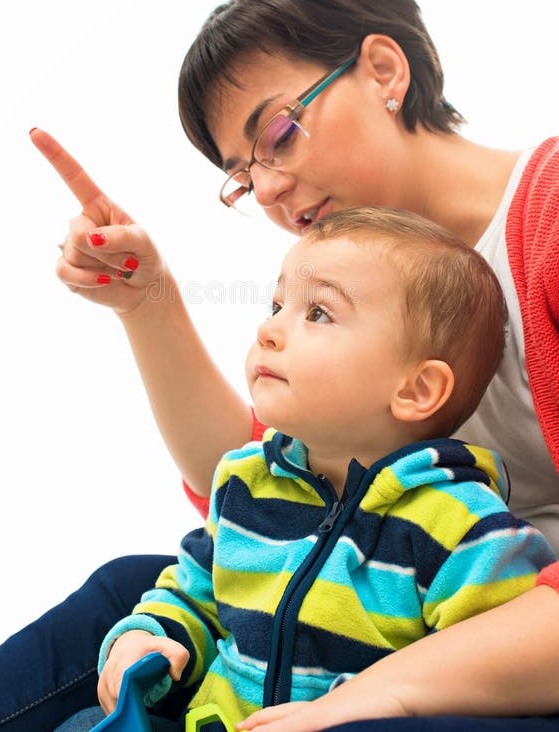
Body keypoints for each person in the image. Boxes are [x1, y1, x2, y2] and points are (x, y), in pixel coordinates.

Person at [0, 0, 559, 731]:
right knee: (129, 596)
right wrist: (148, 303)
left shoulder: (544, 215)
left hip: (510, 641)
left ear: (383, 69)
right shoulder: (357, 280)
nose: (269, 189)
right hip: (391, 617)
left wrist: (369, 694)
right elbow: (262, 505)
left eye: (276, 134)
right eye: (243, 174)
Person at [56, 207, 555, 732]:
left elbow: (489, 676)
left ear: (417, 390)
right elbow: (196, 596)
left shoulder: (463, 527)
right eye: (277, 304)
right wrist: (154, 636)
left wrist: (339, 708)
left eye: (317, 312)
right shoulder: (246, 482)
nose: (268, 329)